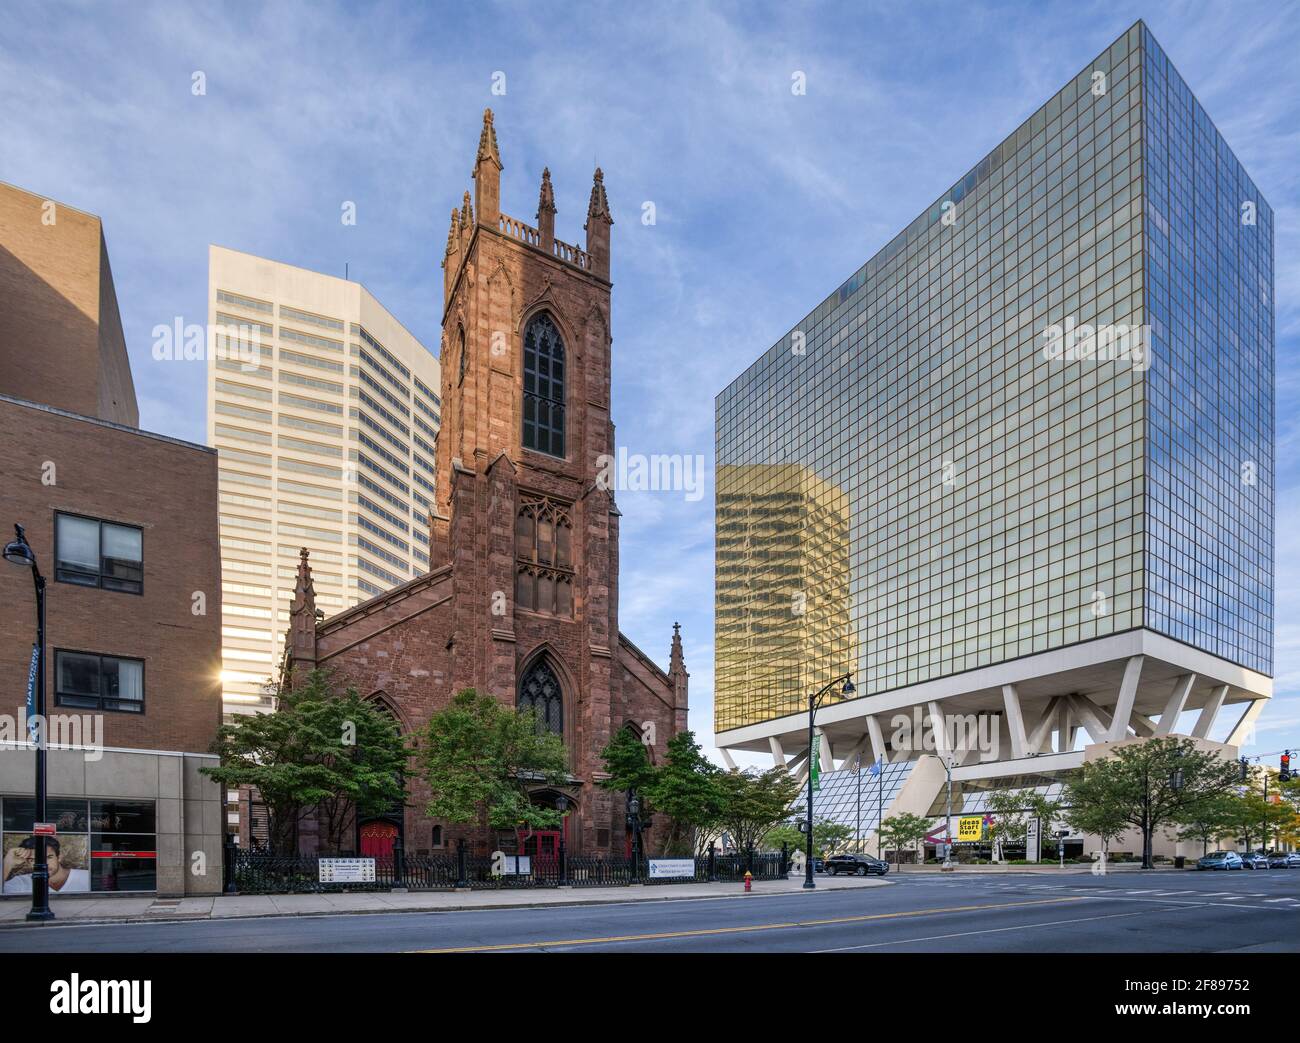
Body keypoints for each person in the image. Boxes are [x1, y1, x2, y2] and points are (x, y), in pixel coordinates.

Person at [2, 836, 90, 894]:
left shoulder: (87, 877)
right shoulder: (20, 882)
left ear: (59, 857)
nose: (42, 864)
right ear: (27, 862)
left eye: (48, 857)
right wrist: (8, 862)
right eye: (33, 859)